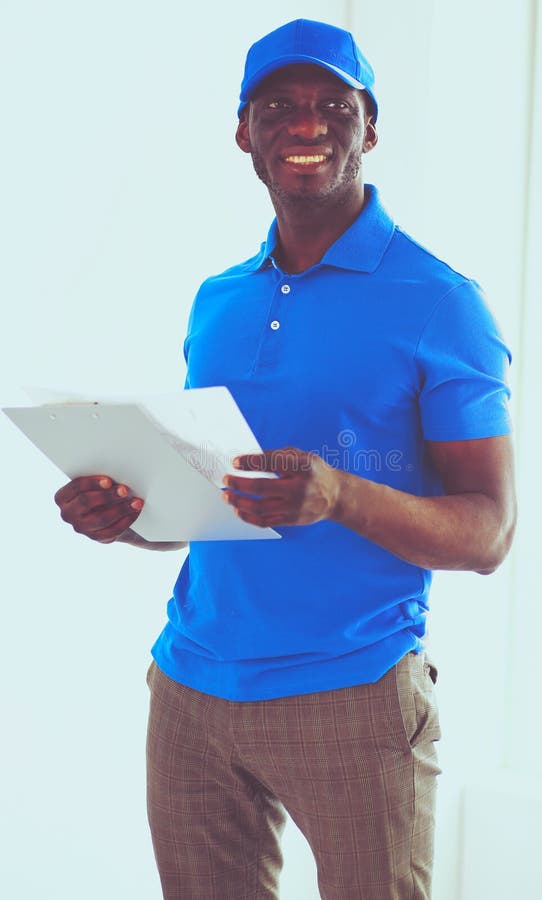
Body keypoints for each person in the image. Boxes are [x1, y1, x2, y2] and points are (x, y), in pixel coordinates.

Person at [54, 18, 516, 900]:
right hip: (190, 685)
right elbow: (215, 506)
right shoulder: (218, 300)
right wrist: (130, 517)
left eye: (333, 104)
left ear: (369, 127)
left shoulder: (444, 304)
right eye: (279, 106)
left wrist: (338, 494)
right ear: (244, 133)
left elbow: (488, 532)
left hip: (352, 692)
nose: (307, 124)